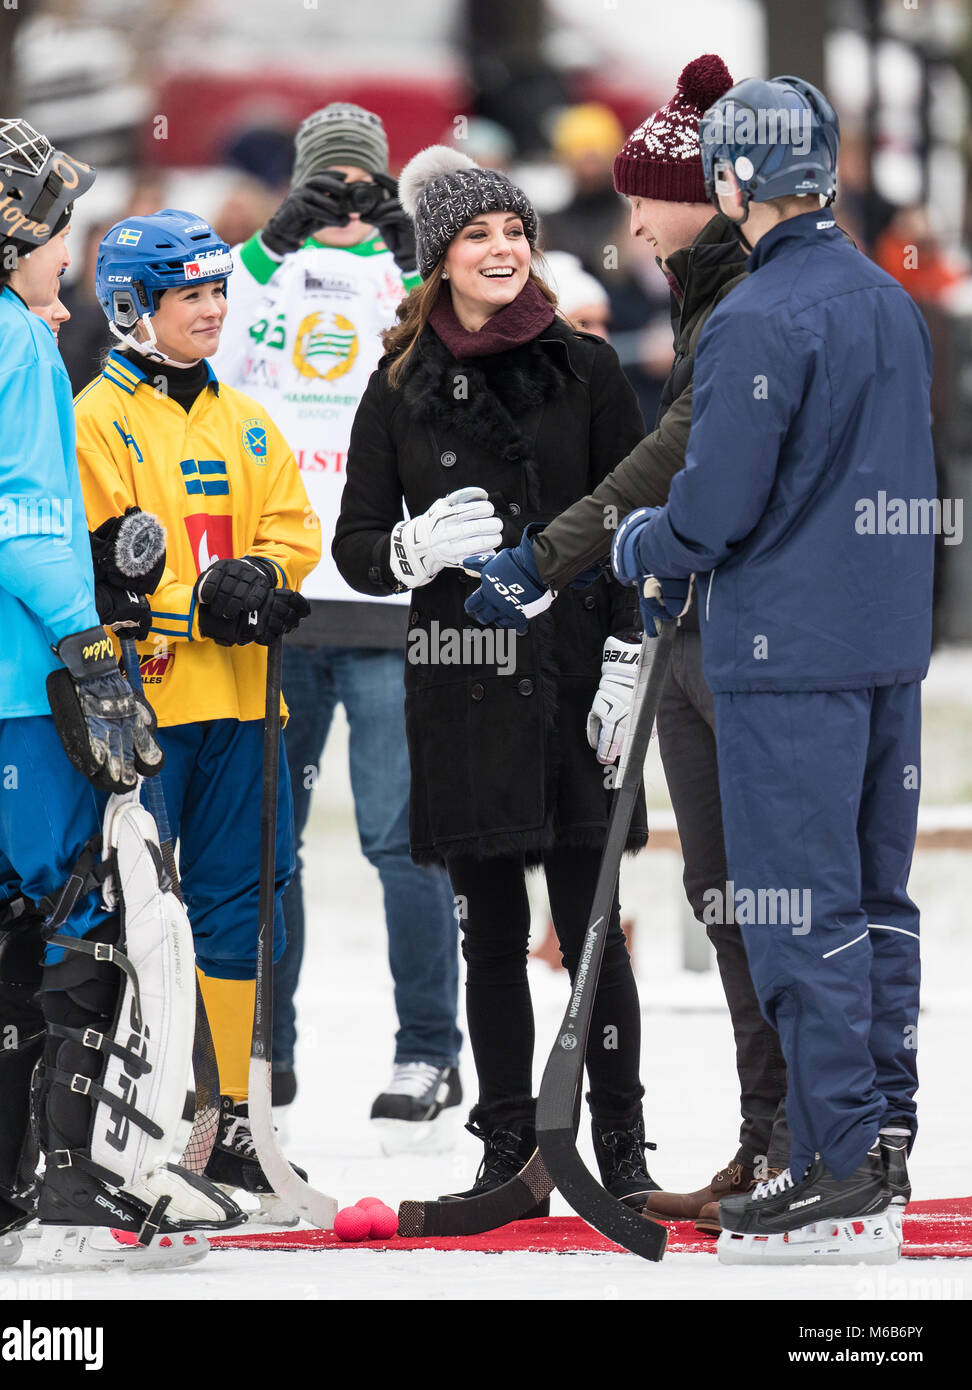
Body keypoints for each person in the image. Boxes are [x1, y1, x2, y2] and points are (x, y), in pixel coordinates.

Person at [464, 55, 792, 1233]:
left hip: (761, 634)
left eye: (647, 200)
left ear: (703, 192)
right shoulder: (715, 288)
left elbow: (680, 460)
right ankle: (771, 1133)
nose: (633, 225)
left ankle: (803, 1132)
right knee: (722, 889)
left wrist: (564, 552)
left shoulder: (751, 293)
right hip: (711, 617)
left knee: (769, 891)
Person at [611, 75, 931, 1264]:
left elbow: (713, 508)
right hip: (881, 647)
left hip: (781, 654)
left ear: (731, 181)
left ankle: (834, 1157)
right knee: (871, 901)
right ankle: (881, 1130)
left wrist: (641, 542)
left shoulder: (755, 314)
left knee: (795, 909)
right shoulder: (887, 301)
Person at [333, 145, 661, 1212]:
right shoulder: (396, 387)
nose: (504, 248)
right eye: (478, 234)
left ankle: (620, 1139)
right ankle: (508, 1144)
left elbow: (628, 521)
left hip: (574, 683)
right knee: (487, 933)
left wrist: (624, 653)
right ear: (439, 260)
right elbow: (354, 543)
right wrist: (408, 551)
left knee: (591, 929)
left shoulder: (588, 369)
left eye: (514, 230)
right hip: (461, 680)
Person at [0, 117, 243, 1271]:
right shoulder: (11, 342)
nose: (63, 254)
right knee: (100, 918)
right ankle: (85, 1184)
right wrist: (89, 649)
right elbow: (22, 522)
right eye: (56, 230)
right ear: (13, 233)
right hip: (17, 683)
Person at [214, 103, 464, 1146]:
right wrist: (274, 242)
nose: (349, 200)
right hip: (280, 599)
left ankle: (427, 1049)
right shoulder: (252, 272)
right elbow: (206, 344)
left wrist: (408, 254)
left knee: (401, 840)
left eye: (366, 183)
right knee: (269, 845)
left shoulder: (407, 280)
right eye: (332, 184)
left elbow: (456, 359)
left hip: (389, 594)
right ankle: (268, 1044)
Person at [73, 208, 322, 1219]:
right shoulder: (96, 417)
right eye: (192, 296)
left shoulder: (246, 416)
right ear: (134, 308)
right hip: (143, 705)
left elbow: (294, 525)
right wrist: (193, 601)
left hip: (241, 703)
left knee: (237, 903)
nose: (214, 310)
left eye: (221, 292)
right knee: (141, 915)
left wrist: (261, 573)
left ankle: (228, 1122)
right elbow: (106, 562)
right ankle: (128, 1122)